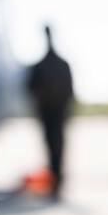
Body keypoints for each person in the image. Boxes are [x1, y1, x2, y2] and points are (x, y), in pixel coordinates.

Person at [26, 25, 74, 200]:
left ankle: (56, 184)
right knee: (55, 149)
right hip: (52, 115)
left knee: (55, 149)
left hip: (53, 115)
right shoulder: (57, 65)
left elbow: (31, 89)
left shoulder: (48, 65)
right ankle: (55, 183)